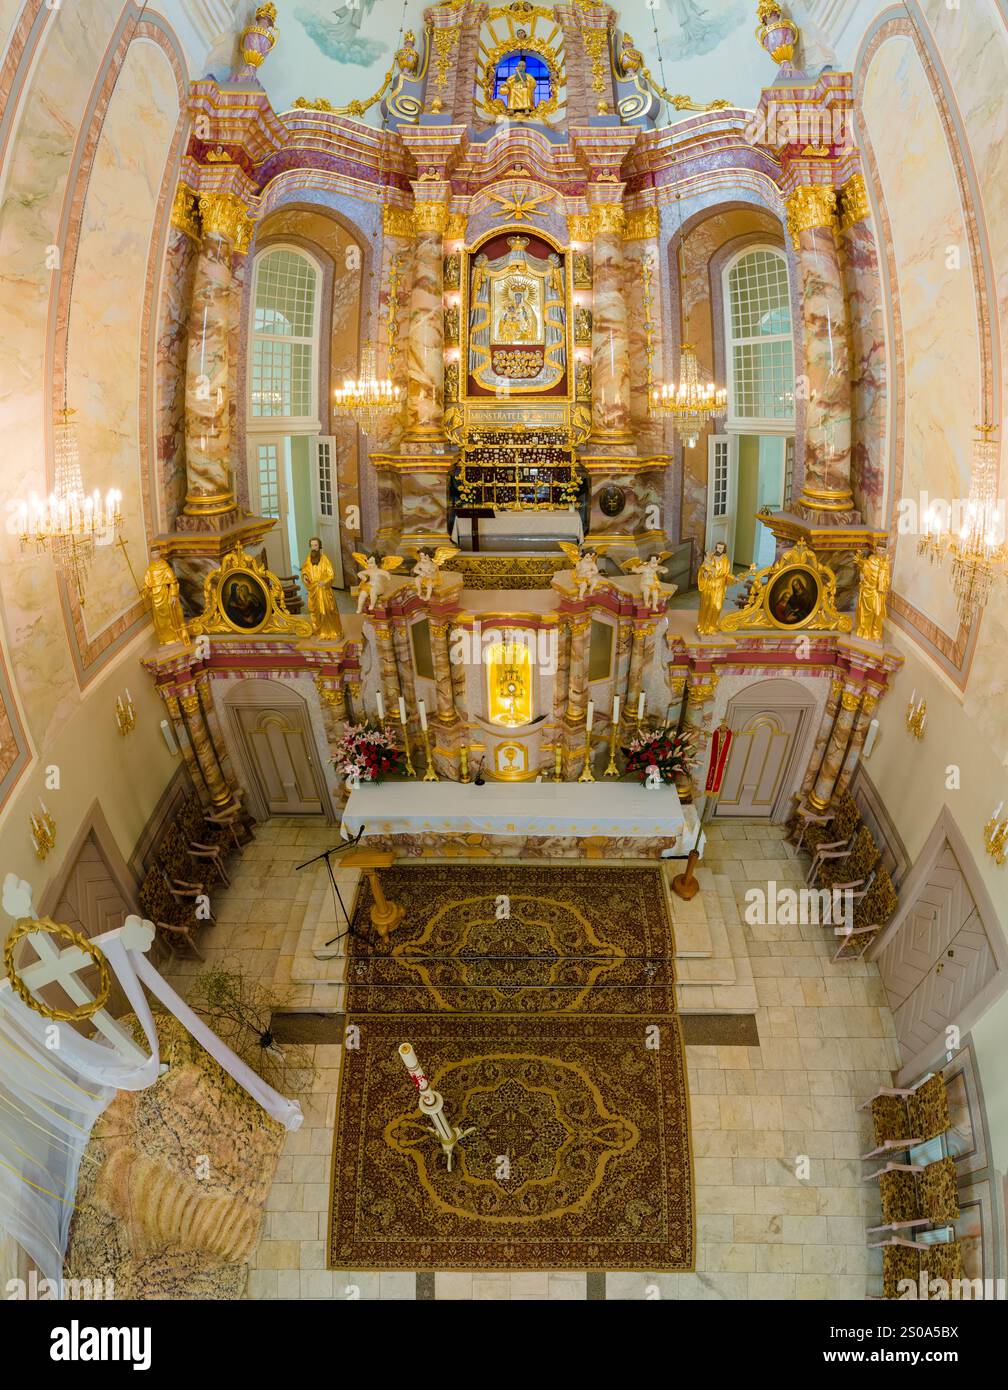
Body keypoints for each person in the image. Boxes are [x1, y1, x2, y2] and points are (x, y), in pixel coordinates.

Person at [142, 546, 191, 646]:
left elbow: (173, 581)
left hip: (164, 593)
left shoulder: (164, 566)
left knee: (169, 616)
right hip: (155, 597)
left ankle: (174, 636)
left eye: (156, 553)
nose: (155, 555)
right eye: (153, 554)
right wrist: (144, 591)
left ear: (160, 553)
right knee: (159, 620)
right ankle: (164, 638)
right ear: (151, 555)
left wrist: (173, 595)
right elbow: (147, 584)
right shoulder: (149, 569)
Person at [301, 537, 343, 640]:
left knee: (327, 611)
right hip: (314, 590)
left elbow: (331, 574)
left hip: (324, 590)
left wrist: (324, 582)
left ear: (319, 546)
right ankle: (320, 632)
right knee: (316, 612)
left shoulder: (325, 559)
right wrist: (305, 576)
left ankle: (332, 632)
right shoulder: (308, 559)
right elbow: (304, 570)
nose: (314, 548)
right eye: (312, 546)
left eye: (316, 545)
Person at [696, 541, 735, 634]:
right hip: (709, 584)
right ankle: (702, 626)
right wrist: (705, 574)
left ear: (724, 549)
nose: (718, 550)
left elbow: (727, 574)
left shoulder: (726, 560)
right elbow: (702, 569)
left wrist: (733, 578)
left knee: (717, 606)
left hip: (719, 586)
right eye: (717, 548)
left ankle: (712, 627)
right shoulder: (710, 557)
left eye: (721, 548)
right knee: (705, 605)